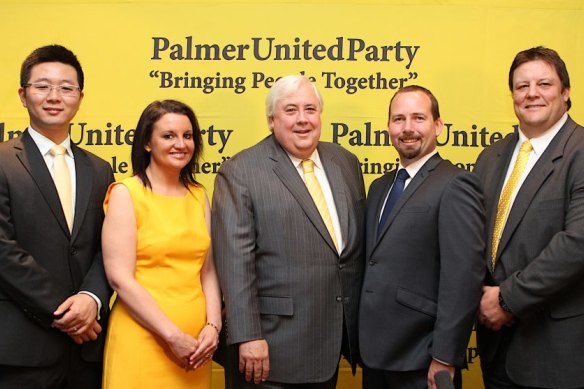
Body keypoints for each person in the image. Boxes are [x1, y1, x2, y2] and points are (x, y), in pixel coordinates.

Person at [212, 75, 365, 388]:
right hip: (270, 347)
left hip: (331, 341)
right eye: (291, 110)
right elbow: (235, 264)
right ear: (272, 120)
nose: (302, 120)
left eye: (310, 109)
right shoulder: (241, 171)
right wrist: (248, 335)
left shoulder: (345, 162)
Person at [0, 45, 114, 388]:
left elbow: (107, 248)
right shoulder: (4, 161)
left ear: (80, 97)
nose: (54, 96)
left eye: (66, 88)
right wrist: (66, 312)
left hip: (88, 349)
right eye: (42, 86)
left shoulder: (100, 169)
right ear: (23, 95)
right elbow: (3, 250)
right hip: (22, 346)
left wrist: (91, 300)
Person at [359, 85, 485, 389]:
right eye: (399, 119)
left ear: (438, 126)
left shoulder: (456, 183)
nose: (407, 128)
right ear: (389, 126)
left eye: (418, 118)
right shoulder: (379, 187)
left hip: (423, 357)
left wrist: (445, 356)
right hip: (376, 357)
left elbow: (463, 277)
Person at [475, 46, 584, 389]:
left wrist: (506, 299)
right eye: (522, 86)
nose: (532, 94)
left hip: (555, 351)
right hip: (495, 348)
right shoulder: (491, 157)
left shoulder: (580, 151)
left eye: (544, 84)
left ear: (566, 92)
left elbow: (577, 243)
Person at [101, 99, 221, 388]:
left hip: (195, 348)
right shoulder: (126, 193)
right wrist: (172, 336)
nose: (181, 144)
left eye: (187, 136)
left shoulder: (198, 195)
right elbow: (120, 279)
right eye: (168, 136)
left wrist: (213, 327)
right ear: (146, 143)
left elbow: (208, 271)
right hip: (143, 340)